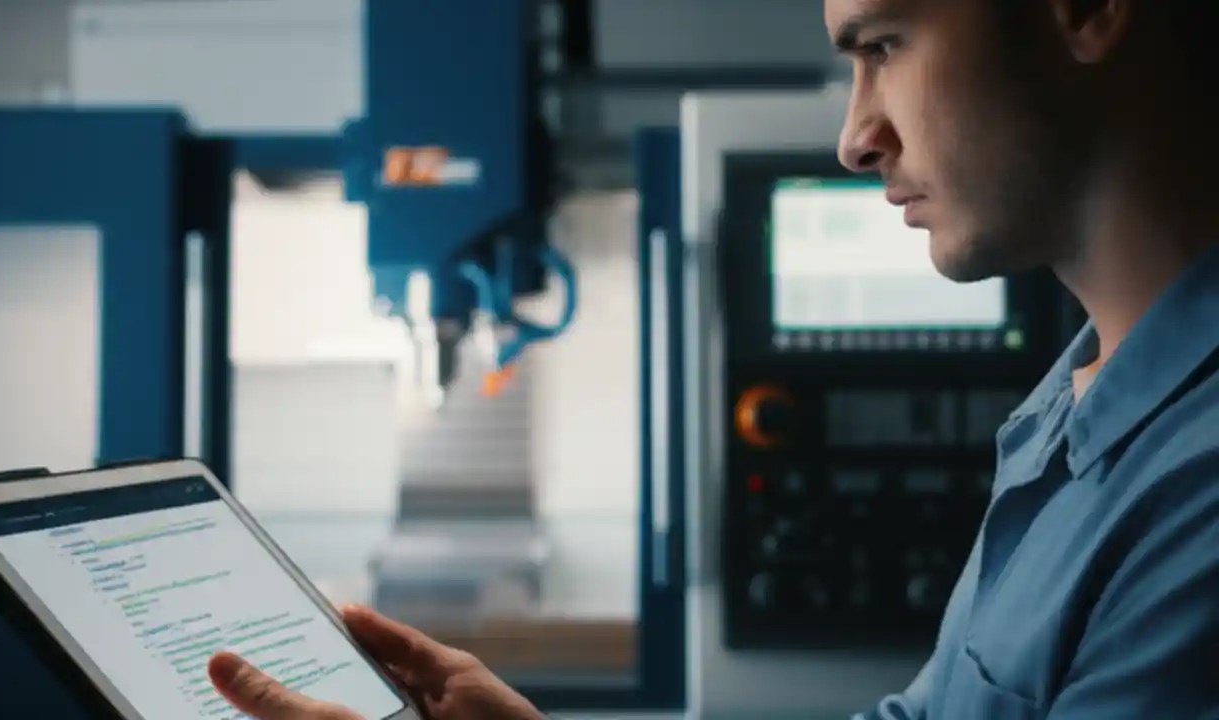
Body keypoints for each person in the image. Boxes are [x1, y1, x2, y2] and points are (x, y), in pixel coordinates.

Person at [207, 0, 1219, 717]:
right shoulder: (1065, 412)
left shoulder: (1195, 495)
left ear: (1083, 7)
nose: (854, 136)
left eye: (884, 44)